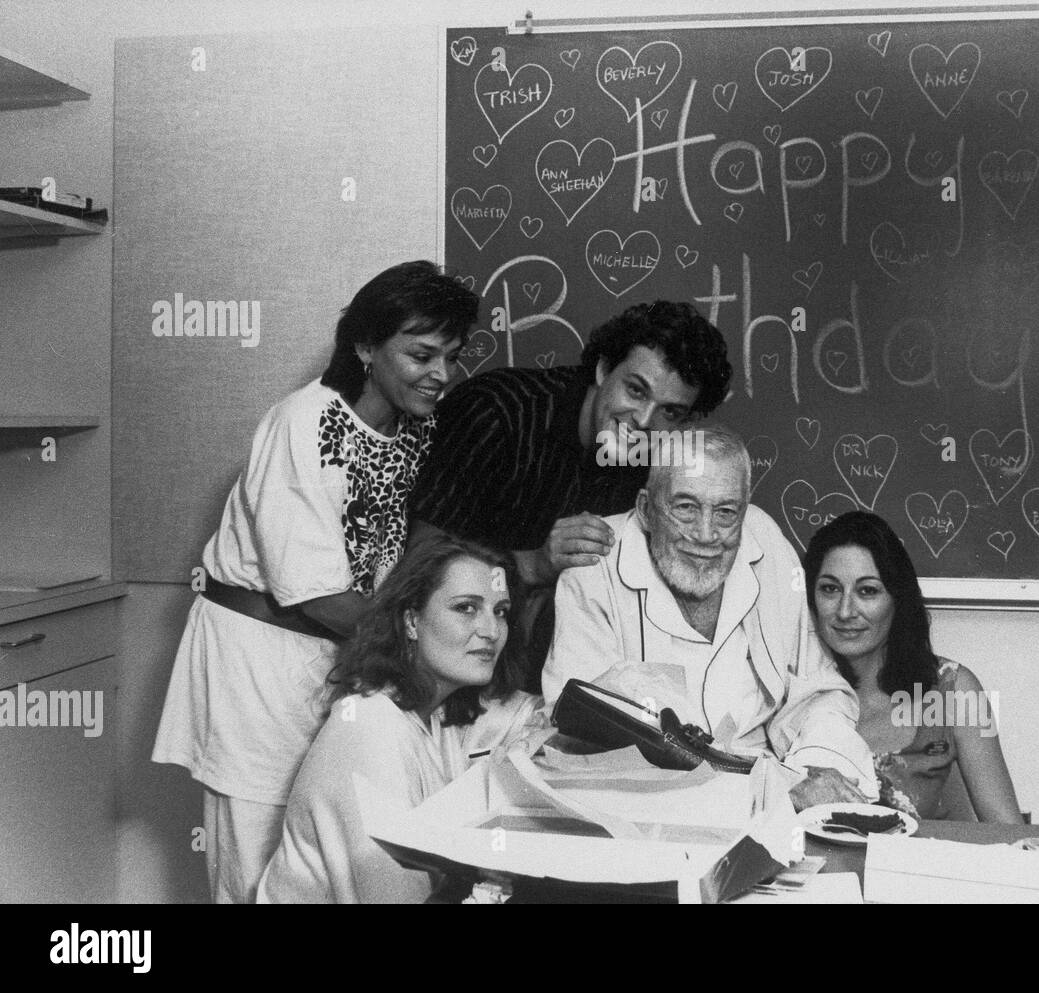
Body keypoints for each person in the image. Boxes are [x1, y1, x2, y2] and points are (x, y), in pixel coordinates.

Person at [152, 261, 480, 903]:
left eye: (450, 356)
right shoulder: (303, 421)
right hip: (260, 671)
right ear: (364, 347)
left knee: (313, 867)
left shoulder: (416, 434)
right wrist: (424, 647)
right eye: (420, 354)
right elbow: (314, 591)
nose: (439, 374)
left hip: (342, 664)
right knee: (251, 865)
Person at [542, 426, 878, 810]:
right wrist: (778, 790)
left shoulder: (764, 540)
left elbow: (816, 689)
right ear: (646, 509)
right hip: (643, 808)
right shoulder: (593, 568)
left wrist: (819, 767)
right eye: (685, 507)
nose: (705, 534)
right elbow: (591, 733)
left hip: (777, 794)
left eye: (725, 512)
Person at [407, 300, 732, 682]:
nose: (644, 421)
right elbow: (419, 566)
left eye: (670, 412)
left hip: (550, 672)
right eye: (635, 390)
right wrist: (532, 565)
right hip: (436, 665)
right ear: (602, 368)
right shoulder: (498, 412)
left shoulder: (652, 460)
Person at [257, 534, 542, 903]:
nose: (490, 631)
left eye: (500, 611)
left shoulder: (429, 712)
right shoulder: (371, 730)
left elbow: (534, 716)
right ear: (411, 621)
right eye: (466, 608)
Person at [804, 511, 1022, 822]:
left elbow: (1006, 827)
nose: (845, 610)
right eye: (829, 589)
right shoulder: (790, 686)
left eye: (867, 591)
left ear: (897, 598)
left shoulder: (954, 690)